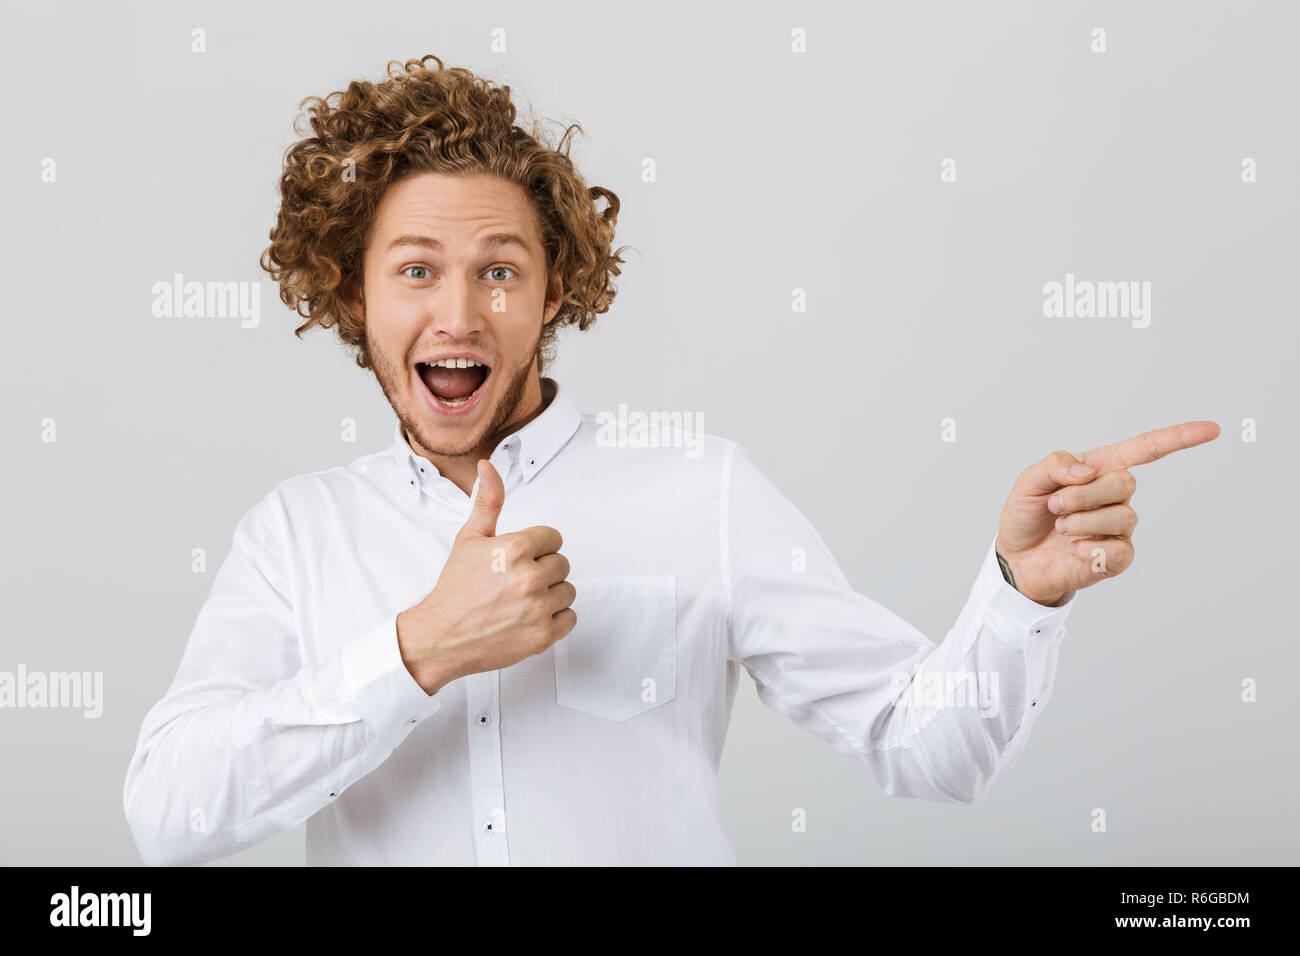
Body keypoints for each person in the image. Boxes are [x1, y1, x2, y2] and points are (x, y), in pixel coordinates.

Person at [122, 55, 1219, 866]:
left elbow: (927, 747)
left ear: (553, 291)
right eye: (414, 270)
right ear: (353, 298)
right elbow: (168, 814)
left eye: (499, 271)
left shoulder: (702, 487)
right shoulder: (295, 533)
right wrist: (417, 650)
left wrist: (1018, 595)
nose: (458, 312)